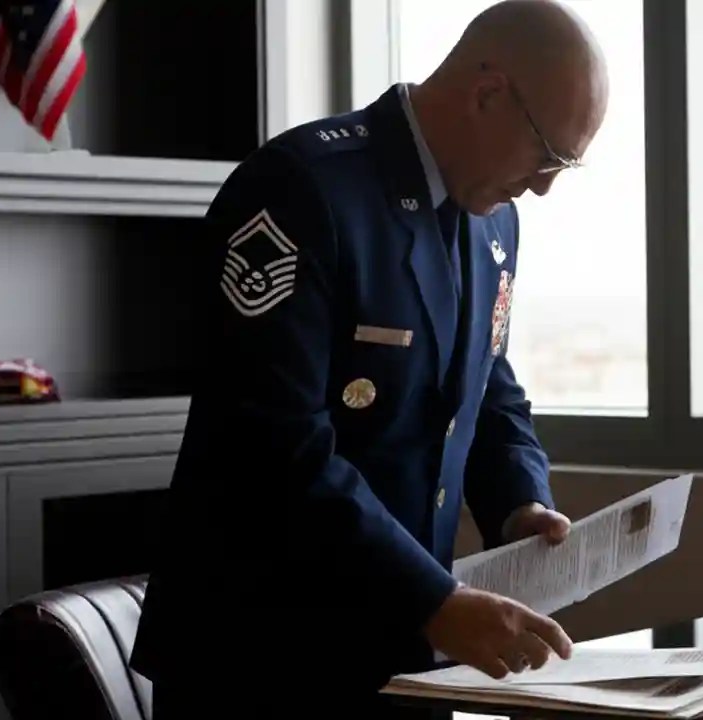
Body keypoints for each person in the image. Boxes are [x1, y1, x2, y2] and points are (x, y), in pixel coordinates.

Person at [129, 0, 610, 715]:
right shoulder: (303, 189)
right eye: (549, 156)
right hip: (261, 658)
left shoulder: (493, 221)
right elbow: (276, 443)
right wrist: (434, 598)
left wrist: (521, 503)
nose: (544, 185)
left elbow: (487, 385)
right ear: (487, 94)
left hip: (399, 654)